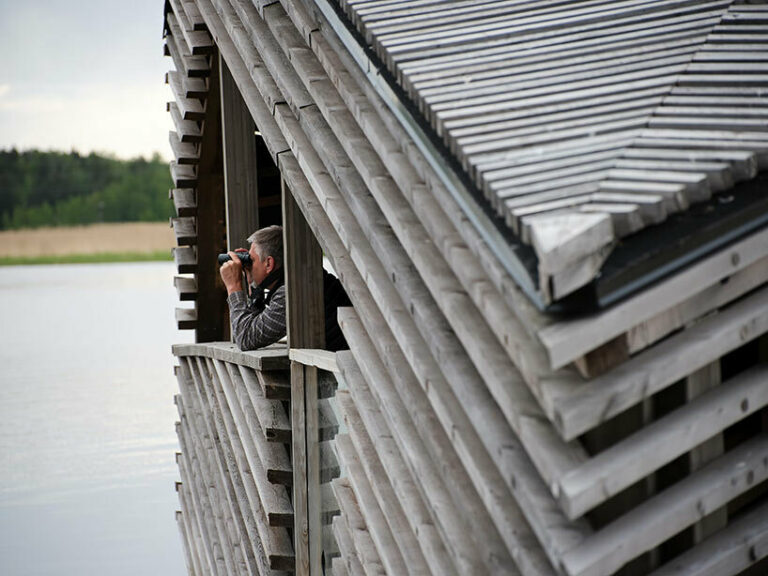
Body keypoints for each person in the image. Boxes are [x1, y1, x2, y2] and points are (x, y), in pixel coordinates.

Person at [219, 225, 350, 351]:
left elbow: (245, 338)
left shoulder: (292, 291)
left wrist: (233, 286)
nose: (248, 265)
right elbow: (252, 328)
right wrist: (251, 283)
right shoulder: (305, 278)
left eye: (251, 260)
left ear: (269, 263)